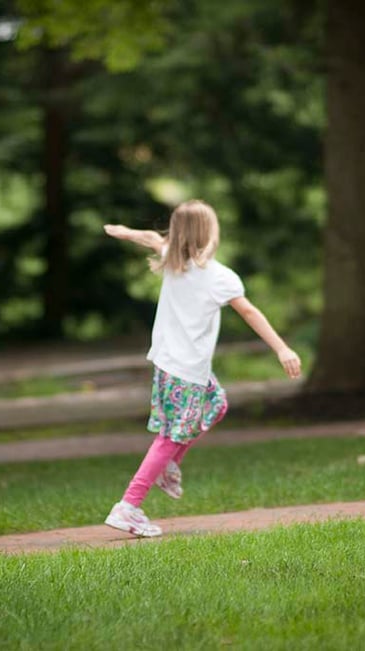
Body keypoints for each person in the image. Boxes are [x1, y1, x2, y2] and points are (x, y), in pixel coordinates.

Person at [102, 199, 302, 537]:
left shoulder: (171, 258)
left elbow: (151, 238)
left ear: (178, 232)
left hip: (170, 363)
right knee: (170, 437)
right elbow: (250, 312)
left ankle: (168, 465)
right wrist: (282, 348)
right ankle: (129, 506)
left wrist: (124, 233)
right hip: (186, 369)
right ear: (210, 233)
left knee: (216, 403)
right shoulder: (219, 277)